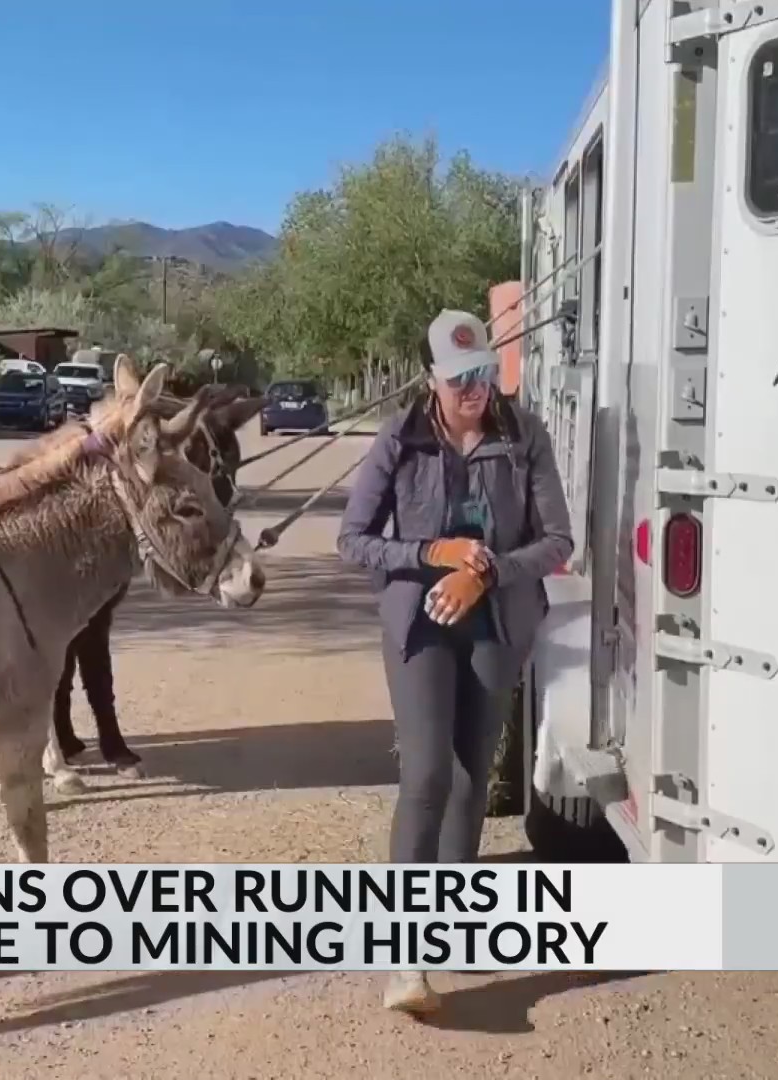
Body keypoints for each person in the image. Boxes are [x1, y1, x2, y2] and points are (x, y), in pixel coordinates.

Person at [336, 308, 575, 1015]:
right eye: (459, 379)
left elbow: (556, 541)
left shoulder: (524, 435)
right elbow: (353, 539)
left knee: (474, 770)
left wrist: (489, 571)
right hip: (420, 622)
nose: (476, 391)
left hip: (498, 621)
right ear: (430, 379)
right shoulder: (399, 440)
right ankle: (404, 958)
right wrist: (430, 555)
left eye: (484, 375)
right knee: (429, 770)